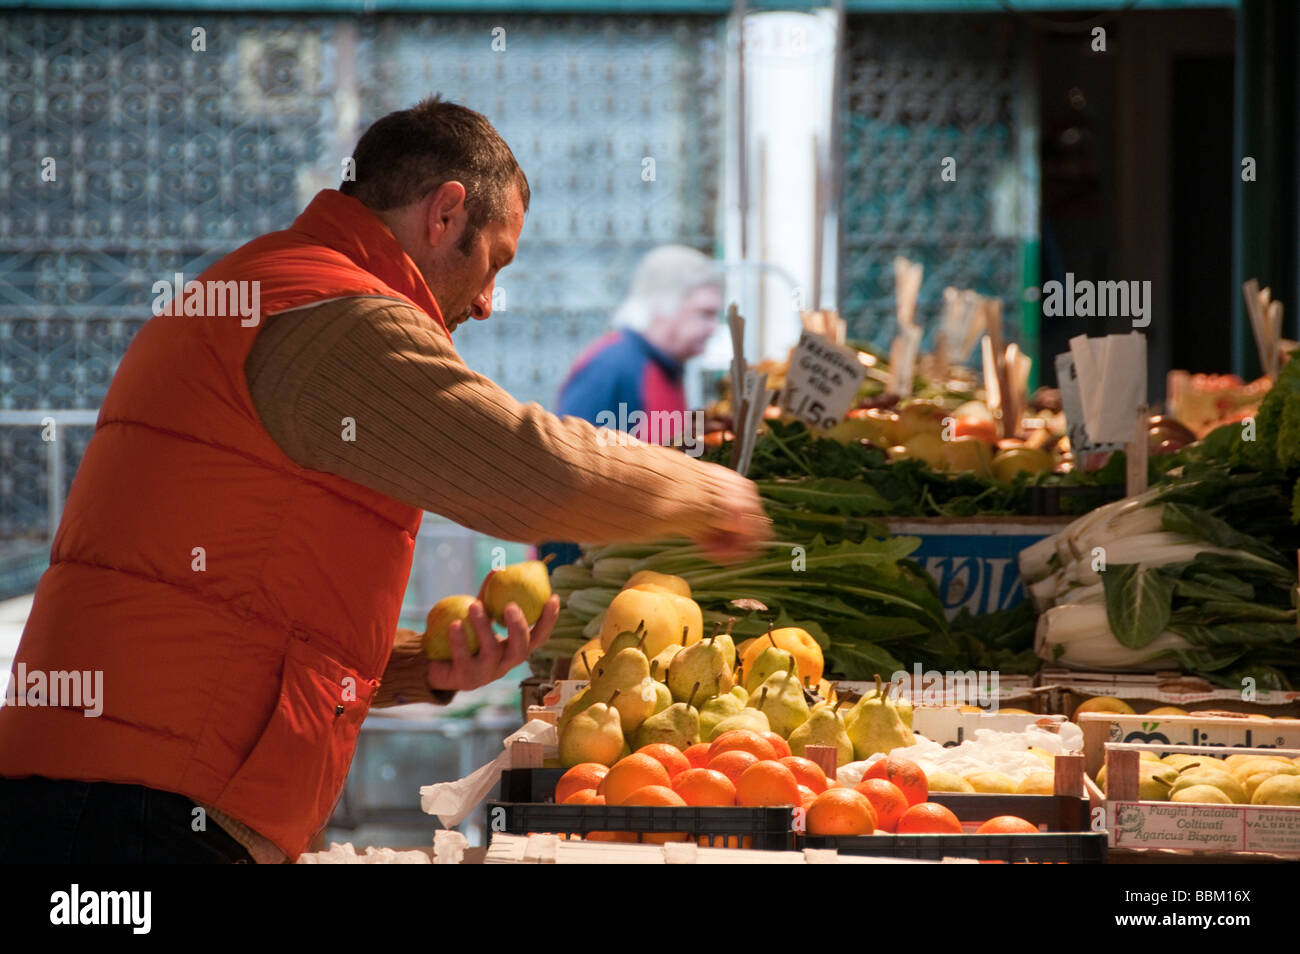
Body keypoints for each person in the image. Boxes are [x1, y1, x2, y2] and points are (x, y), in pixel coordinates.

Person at [0, 97, 770, 864]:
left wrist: (417, 667)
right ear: (444, 214)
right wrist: (710, 493)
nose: (488, 303)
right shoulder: (332, 314)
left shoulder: (264, 285)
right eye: (493, 261)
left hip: (114, 787)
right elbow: (522, 468)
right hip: (135, 811)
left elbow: (237, 595)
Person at [540, 246, 724, 566]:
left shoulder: (669, 369)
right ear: (666, 305)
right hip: (586, 573)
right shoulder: (614, 365)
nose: (714, 327)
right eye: (705, 313)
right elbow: (561, 471)